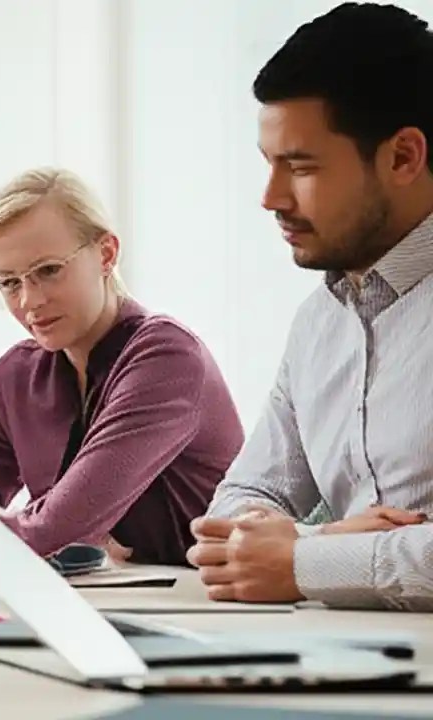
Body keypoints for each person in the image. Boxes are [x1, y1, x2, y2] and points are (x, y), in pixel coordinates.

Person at [188, 2, 433, 610]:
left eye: (300, 167)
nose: (270, 198)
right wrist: (325, 541)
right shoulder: (318, 322)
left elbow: (279, 555)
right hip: (340, 662)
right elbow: (239, 502)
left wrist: (304, 558)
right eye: (268, 164)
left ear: (403, 156)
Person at [0, 168, 243, 566]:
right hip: (104, 600)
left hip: (206, 602)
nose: (30, 301)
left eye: (48, 270)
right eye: (9, 283)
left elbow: (59, 528)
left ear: (106, 254)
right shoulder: (17, 374)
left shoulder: (168, 357)